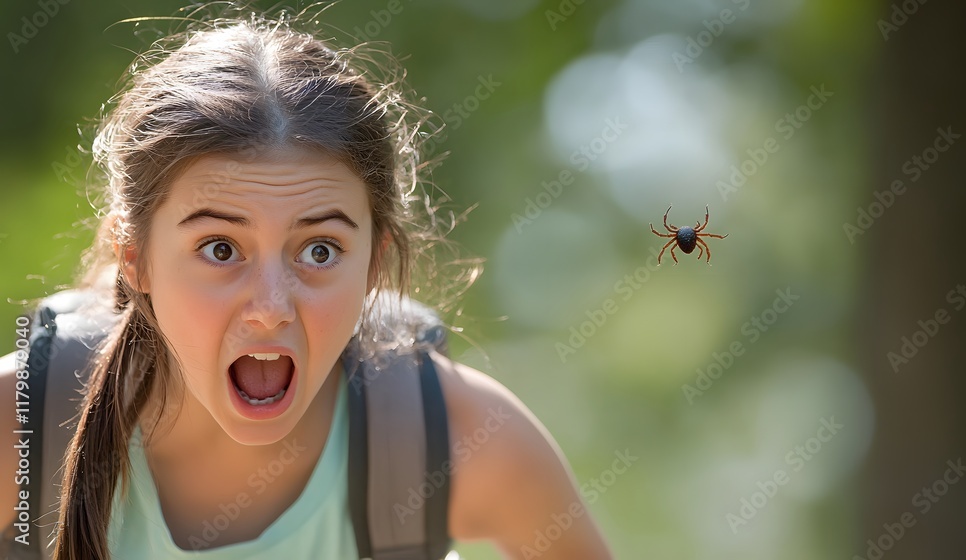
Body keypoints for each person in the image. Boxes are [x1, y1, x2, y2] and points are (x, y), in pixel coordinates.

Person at [0, 10, 614, 560]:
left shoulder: (455, 439)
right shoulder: (20, 430)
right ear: (135, 259)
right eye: (220, 249)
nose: (270, 308)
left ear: (375, 263)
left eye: (319, 250)